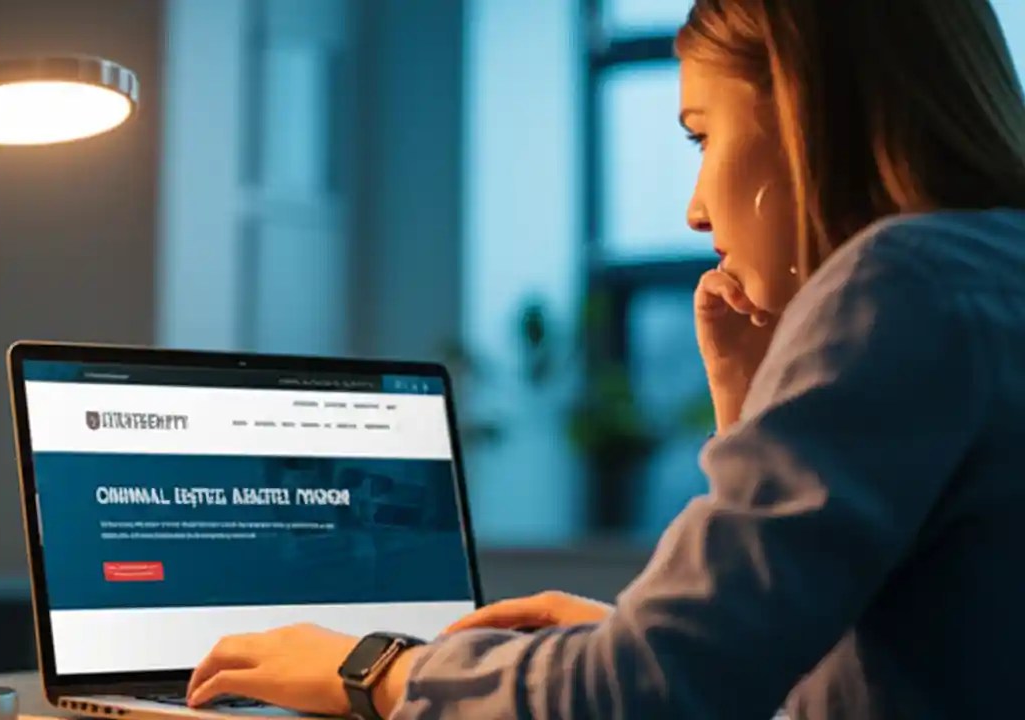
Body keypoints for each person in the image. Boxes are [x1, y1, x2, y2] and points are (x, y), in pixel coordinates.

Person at [185, 0, 1025, 717]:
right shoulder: (989, 276)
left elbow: (651, 694)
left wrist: (370, 669)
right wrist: (626, 642)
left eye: (701, 136)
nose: (695, 211)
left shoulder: (903, 283)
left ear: (805, 113)